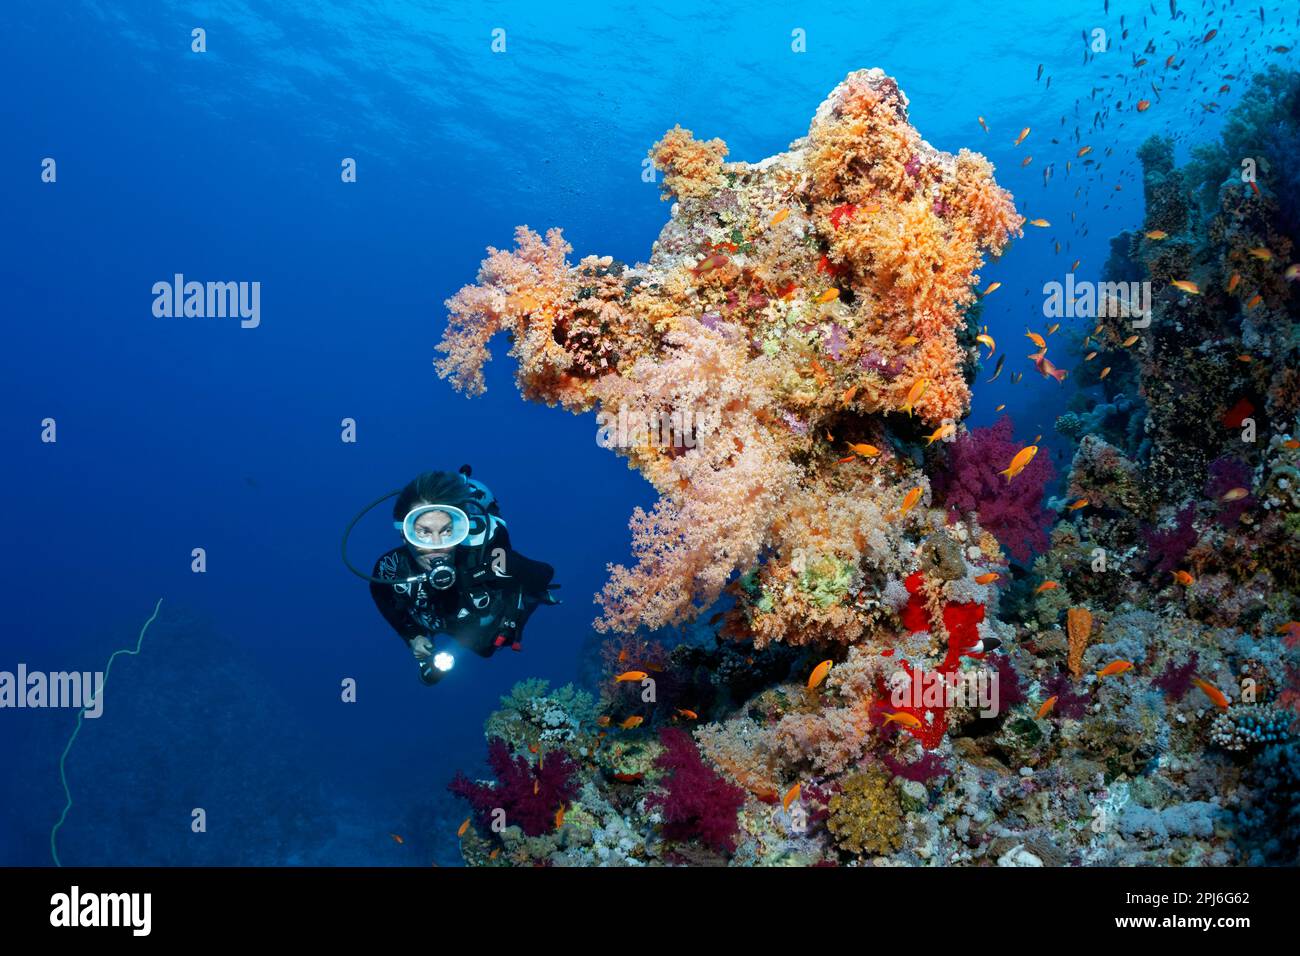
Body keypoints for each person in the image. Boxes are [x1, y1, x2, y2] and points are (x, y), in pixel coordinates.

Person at [368, 467, 560, 685]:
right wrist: (412, 636)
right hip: (453, 627)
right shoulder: (390, 569)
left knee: (488, 645)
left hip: (493, 625)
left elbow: (545, 573)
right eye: (423, 532)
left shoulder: (485, 555)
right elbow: (380, 594)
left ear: (461, 530)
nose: (437, 546)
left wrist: (499, 568)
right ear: (405, 534)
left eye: (447, 530)